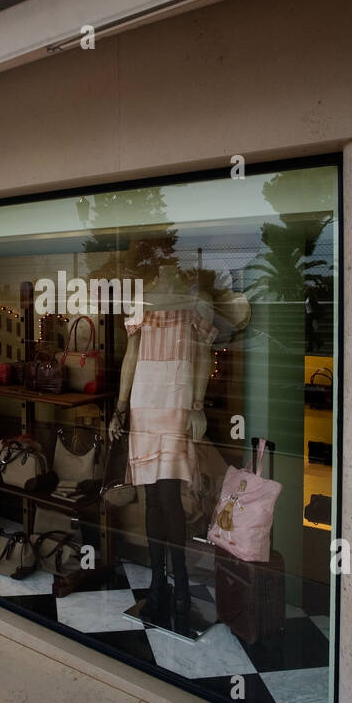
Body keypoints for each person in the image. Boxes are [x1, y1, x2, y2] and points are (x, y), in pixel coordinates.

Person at [109, 264, 216, 630]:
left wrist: (198, 405)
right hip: (144, 402)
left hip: (175, 402)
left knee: (169, 495)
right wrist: (121, 407)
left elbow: (204, 355)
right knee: (151, 498)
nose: (165, 273)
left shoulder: (194, 302)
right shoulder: (142, 302)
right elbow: (130, 357)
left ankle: (181, 581)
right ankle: (158, 580)